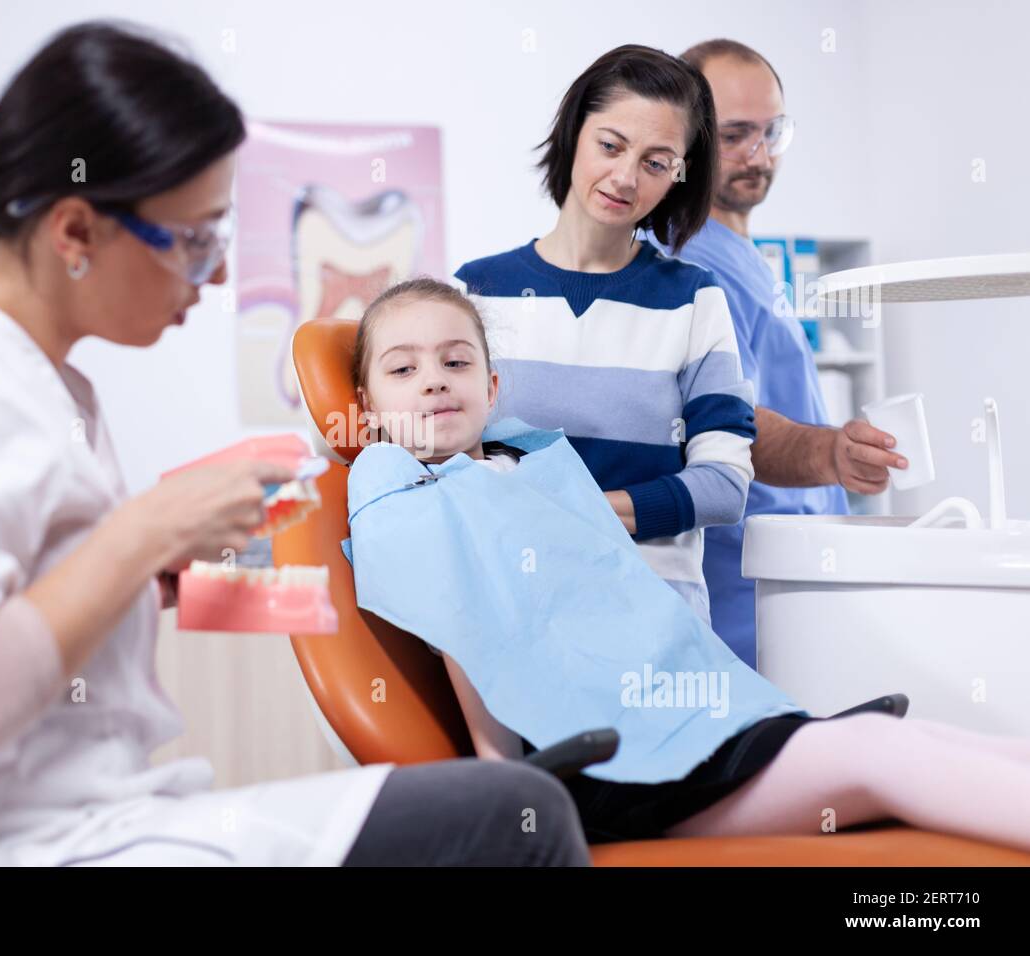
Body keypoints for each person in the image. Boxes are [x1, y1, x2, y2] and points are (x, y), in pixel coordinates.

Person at [0, 21, 590, 867]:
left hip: (84, 824)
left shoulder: (31, 380)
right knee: (513, 816)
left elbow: (13, 610)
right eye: (195, 239)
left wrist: (166, 577)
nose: (219, 274)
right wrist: (142, 531)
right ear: (76, 233)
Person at [346, 275, 1030, 851]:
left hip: (693, 726)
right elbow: (472, 637)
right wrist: (509, 783)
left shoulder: (524, 473)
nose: (434, 382)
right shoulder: (416, 500)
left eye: (455, 362)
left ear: (493, 389)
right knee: (878, 755)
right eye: (403, 370)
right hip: (617, 770)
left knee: (921, 740)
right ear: (369, 411)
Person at [455, 44, 753, 625]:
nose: (624, 177)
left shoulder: (693, 300)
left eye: (656, 161)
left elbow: (723, 486)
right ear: (574, 133)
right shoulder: (474, 292)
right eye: (610, 145)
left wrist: (564, 509)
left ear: (679, 175)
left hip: (654, 620)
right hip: (511, 611)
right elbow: (441, 461)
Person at [648, 39, 906, 665]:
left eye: (773, 132)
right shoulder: (690, 267)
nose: (758, 156)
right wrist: (831, 453)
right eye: (735, 134)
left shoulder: (744, 260)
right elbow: (728, 425)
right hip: (748, 585)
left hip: (800, 562)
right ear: (685, 139)